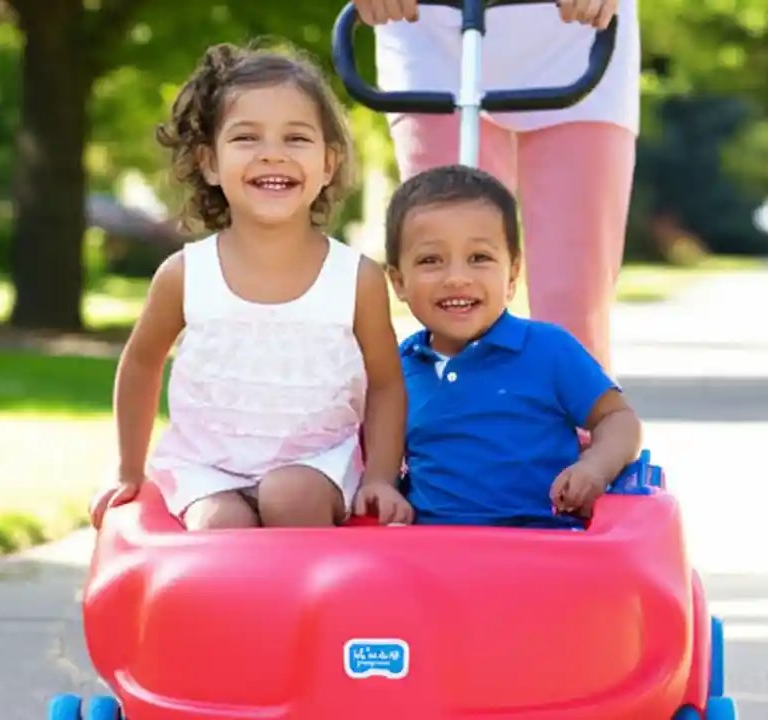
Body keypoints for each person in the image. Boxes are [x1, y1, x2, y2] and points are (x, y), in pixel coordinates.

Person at [91, 43, 414, 531]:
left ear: (328, 163)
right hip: (206, 467)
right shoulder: (184, 275)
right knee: (220, 524)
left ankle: (304, 609)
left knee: (290, 496)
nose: (272, 155)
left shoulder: (357, 279)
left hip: (317, 464)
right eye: (246, 137)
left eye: (296, 138)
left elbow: (387, 385)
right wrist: (128, 470)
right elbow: (140, 363)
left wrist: (383, 478)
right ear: (210, 162)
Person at [355, 0, 638, 374]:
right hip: (430, 30)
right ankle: (451, 417)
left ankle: (578, 424)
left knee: (572, 307)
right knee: (447, 282)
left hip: (576, 35)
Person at [385, 164, 642, 529]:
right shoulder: (398, 369)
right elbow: (377, 459)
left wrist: (594, 467)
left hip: (542, 549)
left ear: (512, 274)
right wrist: (386, 489)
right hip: (436, 556)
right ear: (398, 282)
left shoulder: (549, 350)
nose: (457, 278)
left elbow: (618, 418)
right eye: (430, 261)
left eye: (480, 258)